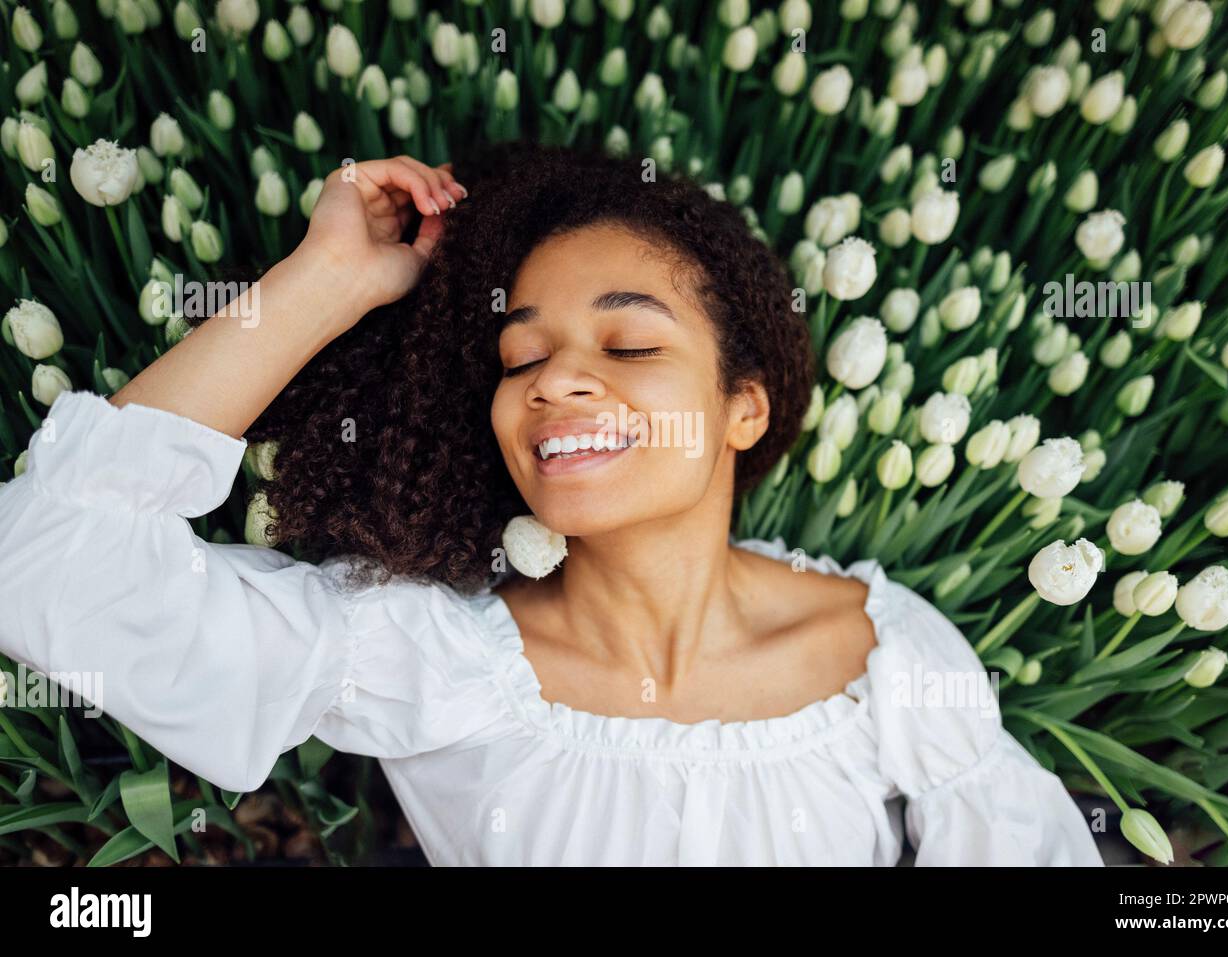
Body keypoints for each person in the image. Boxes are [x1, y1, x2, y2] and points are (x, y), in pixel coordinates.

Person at [0, 140, 1104, 866]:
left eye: (628, 343)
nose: (555, 382)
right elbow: (51, 569)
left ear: (744, 410)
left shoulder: (880, 654)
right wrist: (324, 282)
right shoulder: (425, 654)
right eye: (518, 357)